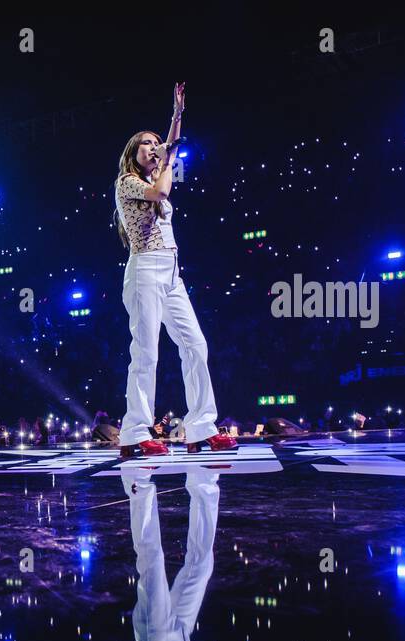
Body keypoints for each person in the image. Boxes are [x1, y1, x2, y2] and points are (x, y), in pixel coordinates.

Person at [113, 82, 237, 459]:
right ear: (133, 154)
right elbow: (163, 193)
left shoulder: (155, 173)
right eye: (146, 144)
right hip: (145, 271)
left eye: (156, 142)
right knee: (146, 352)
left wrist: (177, 115)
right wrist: (167, 157)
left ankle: (200, 427)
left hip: (171, 273)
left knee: (195, 345)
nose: (154, 148)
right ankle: (134, 432)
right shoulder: (128, 181)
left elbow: (172, 148)